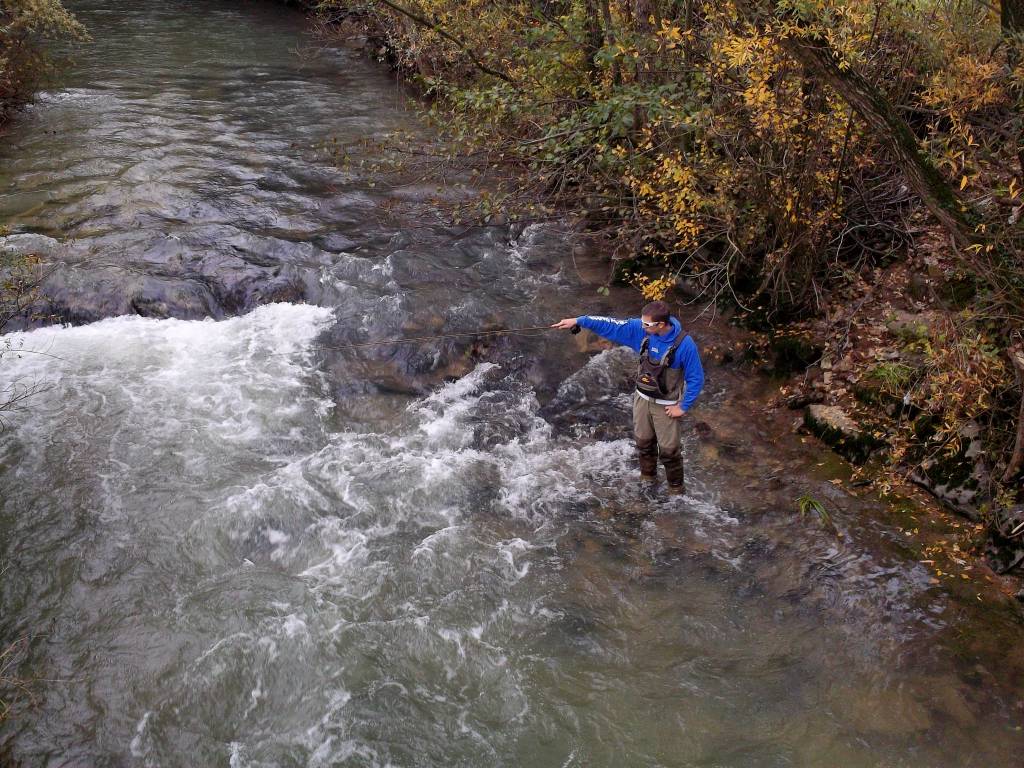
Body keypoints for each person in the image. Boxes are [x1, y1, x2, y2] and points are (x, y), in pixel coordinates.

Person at [552, 300, 704, 495]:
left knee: (669, 451)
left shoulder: (685, 345)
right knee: (643, 442)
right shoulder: (642, 331)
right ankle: (648, 480)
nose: (642, 326)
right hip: (642, 399)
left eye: (647, 324)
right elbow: (610, 325)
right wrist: (579, 321)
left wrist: (683, 407)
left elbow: (696, 378)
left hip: (666, 405)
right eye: (642, 322)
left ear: (661, 325)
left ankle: (676, 491)